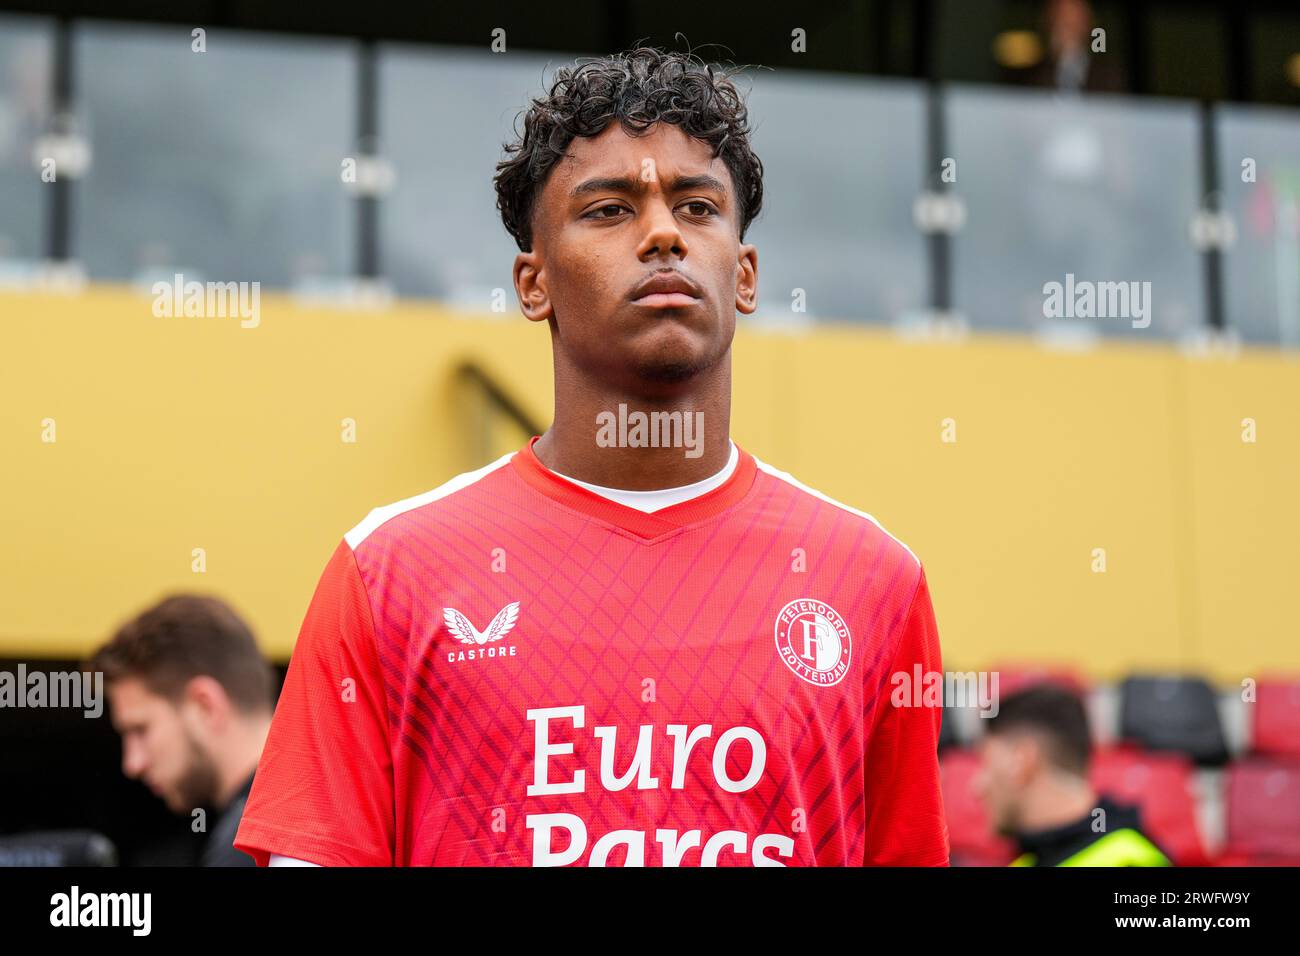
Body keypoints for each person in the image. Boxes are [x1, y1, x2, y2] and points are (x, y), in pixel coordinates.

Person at [235, 45, 947, 867]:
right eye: (609, 210)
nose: (663, 235)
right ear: (532, 284)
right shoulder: (387, 574)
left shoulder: (874, 581)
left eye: (698, 207)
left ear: (745, 275)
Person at [90, 595, 275, 866]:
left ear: (205, 706)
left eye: (141, 730)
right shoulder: (315, 815)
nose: (133, 764)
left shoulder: (248, 847)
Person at [974, 685, 1171, 866]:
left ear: (1022, 762)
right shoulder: (1027, 861)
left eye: (987, 765)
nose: (976, 787)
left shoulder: (1131, 862)